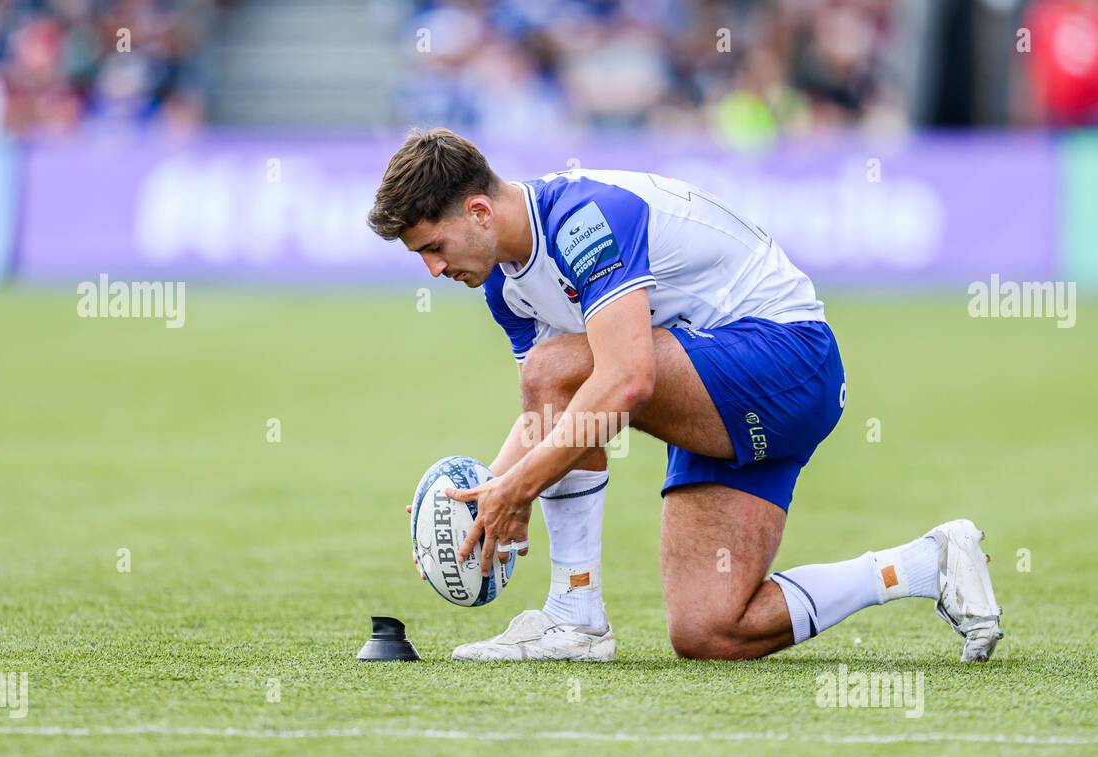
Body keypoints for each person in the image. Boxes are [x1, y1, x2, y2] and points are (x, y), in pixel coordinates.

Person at [369, 128, 1002, 663]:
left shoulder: (583, 219)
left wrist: (517, 488)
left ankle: (575, 614)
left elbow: (621, 382)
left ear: (478, 212)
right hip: (720, 394)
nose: (432, 269)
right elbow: (549, 410)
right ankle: (926, 565)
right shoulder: (503, 289)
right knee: (710, 628)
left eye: (432, 247)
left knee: (563, 367)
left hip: (787, 361)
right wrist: (482, 493)